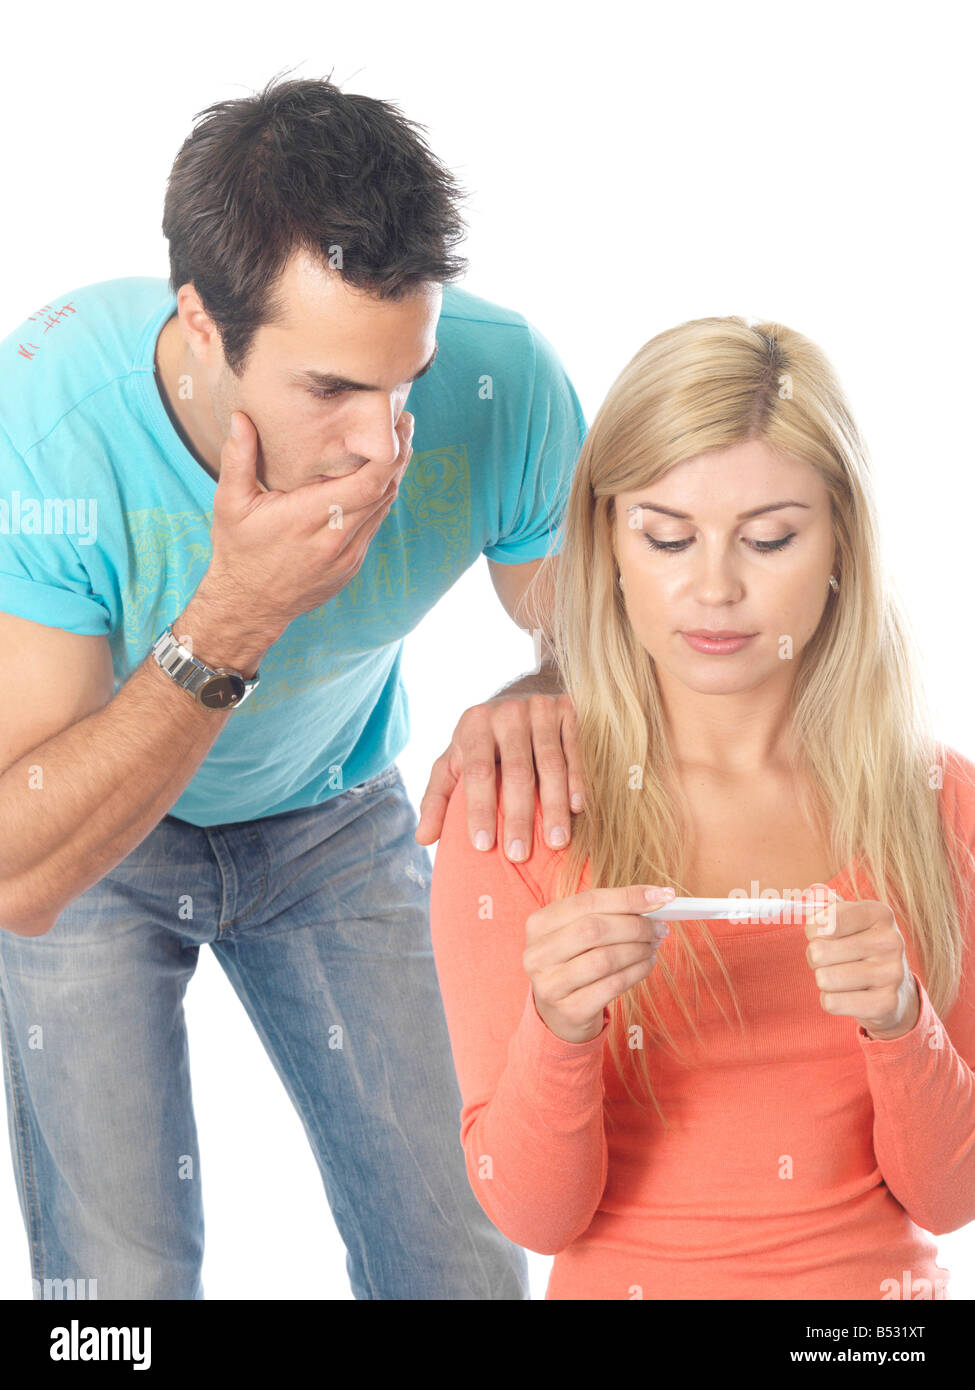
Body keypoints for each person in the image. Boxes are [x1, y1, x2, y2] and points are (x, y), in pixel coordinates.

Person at [0, 73, 588, 1299]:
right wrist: (238, 614)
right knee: (114, 1296)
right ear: (205, 332)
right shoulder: (45, 422)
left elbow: (616, 648)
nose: (382, 441)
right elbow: (24, 867)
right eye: (329, 389)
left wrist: (554, 680)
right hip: (106, 842)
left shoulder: (502, 382)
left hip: (334, 816)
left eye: (404, 378)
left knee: (463, 1262)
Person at [429, 315, 975, 1300]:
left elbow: (949, 1196)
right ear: (608, 543)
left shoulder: (942, 802)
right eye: (668, 536)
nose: (715, 587)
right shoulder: (519, 804)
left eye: (769, 538)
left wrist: (904, 1024)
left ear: (842, 541)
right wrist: (559, 1024)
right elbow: (533, 1214)